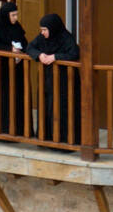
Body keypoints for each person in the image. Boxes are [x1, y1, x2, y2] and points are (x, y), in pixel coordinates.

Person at [27, 13, 82, 144]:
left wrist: (55, 57)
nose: (43, 33)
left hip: (65, 82)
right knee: (47, 107)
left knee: (62, 108)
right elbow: (30, 47)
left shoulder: (65, 37)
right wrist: (39, 55)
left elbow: (74, 53)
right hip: (48, 80)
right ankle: (47, 138)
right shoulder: (42, 38)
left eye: (45, 30)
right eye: (42, 30)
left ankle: (64, 140)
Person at [0, 3, 29, 135]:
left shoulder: (17, 27)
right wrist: (10, 49)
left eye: (16, 14)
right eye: (13, 15)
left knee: (18, 98)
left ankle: (19, 130)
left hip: (18, 69)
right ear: (6, 16)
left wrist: (21, 50)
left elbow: (25, 42)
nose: (15, 18)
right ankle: (2, 131)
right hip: (3, 69)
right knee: (3, 99)